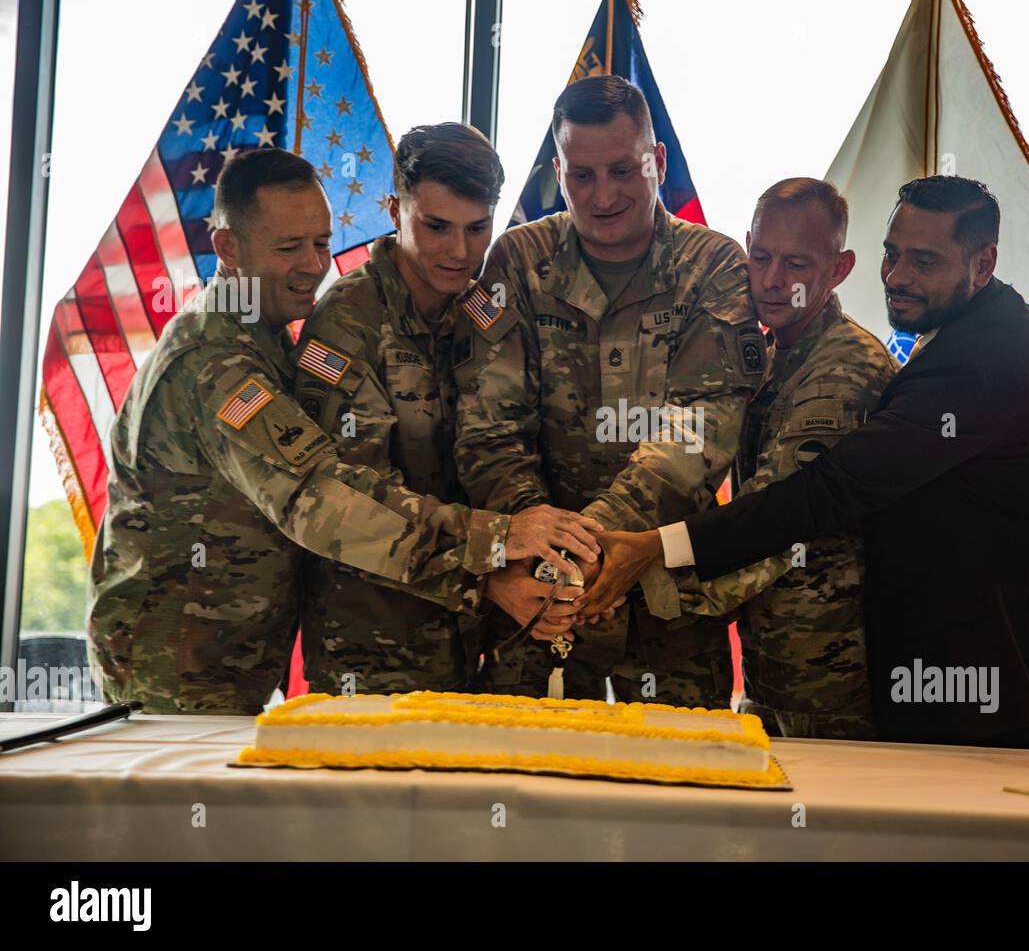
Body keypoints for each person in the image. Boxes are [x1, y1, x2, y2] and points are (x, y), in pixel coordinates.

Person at [582, 175, 1029, 750]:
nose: (898, 277)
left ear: (982, 264)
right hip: (968, 676)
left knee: (956, 840)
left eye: (925, 261)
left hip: (995, 688)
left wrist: (648, 560)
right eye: (893, 254)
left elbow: (820, 495)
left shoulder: (974, 361)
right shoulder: (971, 332)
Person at [88, 149, 600, 714]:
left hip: (225, 662)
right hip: (175, 671)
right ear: (228, 248)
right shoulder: (214, 361)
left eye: (321, 243)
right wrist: (494, 544)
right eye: (289, 248)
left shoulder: (261, 336)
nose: (313, 265)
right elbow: (319, 498)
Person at [453, 75, 767, 706]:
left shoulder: (715, 267)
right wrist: (541, 552)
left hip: (665, 612)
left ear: (658, 161)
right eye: (582, 175)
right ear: (556, 171)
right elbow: (489, 426)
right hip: (534, 609)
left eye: (623, 170)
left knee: (673, 798)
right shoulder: (517, 262)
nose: (603, 196)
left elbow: (700, 431)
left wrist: (581, 547)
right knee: (522, 795)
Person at [291, 124, 592, 695]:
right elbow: (351, 504)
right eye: (436, 227)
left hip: (475, 637)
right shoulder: (349, 322)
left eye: (478, 229)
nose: (460, 252)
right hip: (376, 646)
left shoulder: (485, 309)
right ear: (394, 208)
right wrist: (489, 571)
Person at [652, 178, 895, 739]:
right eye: (759, 257)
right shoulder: (767, 353)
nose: (770, 281)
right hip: (774, 660)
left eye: (795, 265)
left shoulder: (845, 368)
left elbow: (777, 520)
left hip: (829, 674)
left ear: (838, 269)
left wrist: (649, 592)